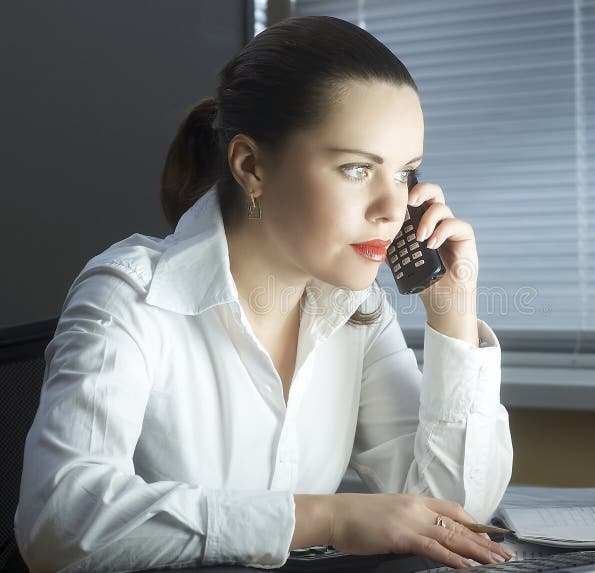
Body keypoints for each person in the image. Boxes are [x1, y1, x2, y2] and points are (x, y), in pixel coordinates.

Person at [14, 15, 514, 572]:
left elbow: (453, 518)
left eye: (404, 173)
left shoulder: (359, 311)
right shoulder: (128, 297)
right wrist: (325, 518)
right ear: (251, 167)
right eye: (356, 169)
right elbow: (61, 523)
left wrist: (453, 309)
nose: (392, 210)